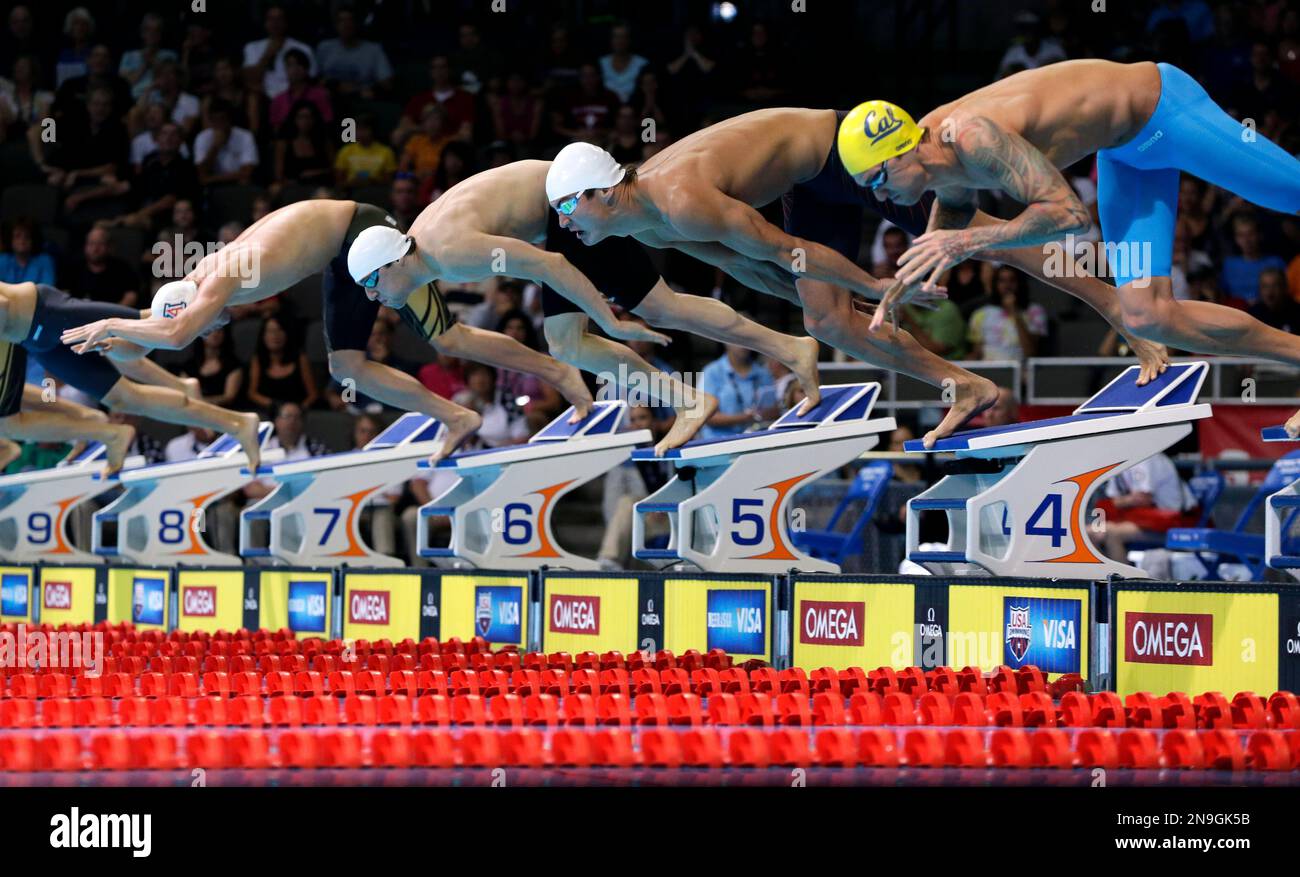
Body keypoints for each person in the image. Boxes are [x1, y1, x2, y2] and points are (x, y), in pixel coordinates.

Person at [541, 116, 1162, 448]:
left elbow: (792, 251)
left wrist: (881, 285)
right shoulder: (645, 229)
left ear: (601, 193)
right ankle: (965, 386)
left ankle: (1125, 318)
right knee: (825, 320)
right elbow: (748, 265)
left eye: (568, 213)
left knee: (993, 239)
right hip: (804, 187)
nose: (566, 228)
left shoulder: (679, 200)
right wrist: (855, 296)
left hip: (844, 152)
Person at [836, 60, 1300, 433]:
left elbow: (1069, 215)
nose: (878, 195)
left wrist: (965, 241)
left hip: (1165, 111)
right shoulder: (934, 157)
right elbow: (955, 209)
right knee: (1147, 315)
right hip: (1127, 158)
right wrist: (909, 276)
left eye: (877, 178)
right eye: (866, 186)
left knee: (1291, 195)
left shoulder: (973, 136)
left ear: (902, 149)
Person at [345, 158, 824, 455]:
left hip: (569, 209)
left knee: (641, 314)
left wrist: (608, 321)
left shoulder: (448, 253)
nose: (371, 298)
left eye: (370, 282)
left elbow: (552, 265)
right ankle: (770, 358)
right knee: (640, 315)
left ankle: (712, 387)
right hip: (557, 215)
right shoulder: (425, 256)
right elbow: (458, 328)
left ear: (394, 264)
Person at [59, 199, 595, 462]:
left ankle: (559, 372)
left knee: (447, 338)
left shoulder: (217, 277)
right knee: (347, 366)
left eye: (204, 324)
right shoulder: (205, 283)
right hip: (343, 256)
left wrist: (115, 322)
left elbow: (174, 335)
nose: (211, 332)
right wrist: (122, 339)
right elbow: (172, 329)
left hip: (369, 237)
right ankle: (456, 416)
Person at [0, 280, 260, 474]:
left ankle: (210, 304)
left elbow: (3, 305)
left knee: (149, 322)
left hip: (44, 313)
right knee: (124, 399)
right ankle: (236, 423)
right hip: (31, 338)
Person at [1097, 453, 1199, 563]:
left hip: (1174, 524)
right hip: (1145, 521)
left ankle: (1125, 579)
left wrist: (1121, 501)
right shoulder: (1119, 462)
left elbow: (1142, 499)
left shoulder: (1146, 457)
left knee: (1113, 533)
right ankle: (1097, 578)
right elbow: (1113, 501)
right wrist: (1125, 501)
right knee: (1091, 532)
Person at [697, 343, 779, 440]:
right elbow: (705, 417)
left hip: (757, 439)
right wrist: (746, 417)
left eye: (745, 340)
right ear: (724, 340)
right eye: (736, 340)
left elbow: (776, 410)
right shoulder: (711, 372)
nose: (743, 344)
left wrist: (766, 413)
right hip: (719, 442)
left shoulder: (763, 372)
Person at [967, 266, 1047, 362]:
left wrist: (1014, 312)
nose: (1007, 285)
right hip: (989, 370)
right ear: (995, 284)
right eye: (1002, 281)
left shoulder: (1035, 311)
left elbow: (1031, 352)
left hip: (1021, 370)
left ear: (1020, 283)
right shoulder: (980, 314)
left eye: (1012, 280)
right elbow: (977, 353)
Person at [242, 4, 316, 100]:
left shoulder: (302, 48)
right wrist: (268, 54)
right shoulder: (252, 47)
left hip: (295, 97)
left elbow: (311, 78)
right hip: (264, 97)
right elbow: (249, 79)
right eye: (271, 19)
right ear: (265, 23)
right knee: (253, 95)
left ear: (286, 22)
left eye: (279, 19)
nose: (275, 23)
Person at [246, 316, 319, 414]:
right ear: (263, 336)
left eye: (279, 330)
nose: (275, 335)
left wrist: (297, 409)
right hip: (268, 411)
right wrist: (274, 405)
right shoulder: (257, 359)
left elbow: (313, 395)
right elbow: (252, 393)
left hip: (297, 413)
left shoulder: (300, 358)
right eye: (270, 331)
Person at [65, 226, 137, 307]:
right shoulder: (73, 268)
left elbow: (131, 296)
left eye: (100, 244)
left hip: (112, 316)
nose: (95, 249)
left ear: (109, 247)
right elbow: (62, 295)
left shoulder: (122, 269)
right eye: (91, 243)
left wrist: (115, 314)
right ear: (85, 246)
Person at [0, 219, 56, 286]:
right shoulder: (3, 260)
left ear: (33, 240)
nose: (22, 240)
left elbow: (47, 290)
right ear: (10, 239)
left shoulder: (45, 260)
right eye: (17, 236)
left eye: (27, 236)